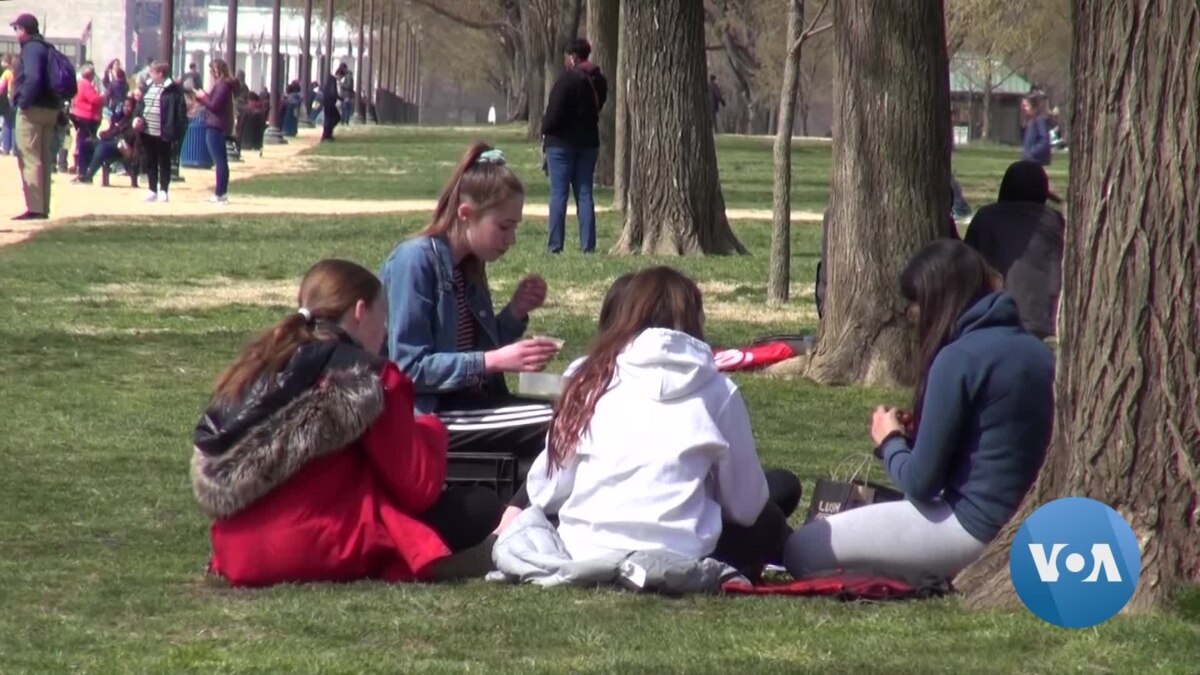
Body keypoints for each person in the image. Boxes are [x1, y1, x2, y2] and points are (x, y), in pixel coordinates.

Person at [191, 259, 505, 587]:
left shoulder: (254, 368)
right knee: (480, 506)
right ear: (360, 311)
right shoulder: (371, 377)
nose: (384, 333)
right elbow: (418, 488)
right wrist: (431, 430)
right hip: (317, 542)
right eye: (382, 319)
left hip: (238, 551)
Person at [784, 239, 1054, 580]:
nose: (912, 315)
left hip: (973, 529)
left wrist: (890, 440)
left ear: (936, 301)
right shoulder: (1039, 353)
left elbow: (920, 483)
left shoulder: (958, 358)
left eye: (915, 304)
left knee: (800, 550)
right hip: (1027, 522)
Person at [524, 267, 799, 579]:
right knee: (770, 513)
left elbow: (545, 491)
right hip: (681, 554)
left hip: (585, 548)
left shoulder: (587, 376)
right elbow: (746, 507)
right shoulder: (718, 390)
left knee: (778, 491)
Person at [378, 143, 560, 494]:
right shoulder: (415, 262)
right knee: (559, 423)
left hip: (469, 404)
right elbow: (409, 368)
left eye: (515, 227)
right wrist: (494, 360)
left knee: (569, 412)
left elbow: (474, 351)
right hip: (426, 417)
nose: (511, 239)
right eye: (504, 227)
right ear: (465, 213)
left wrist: (514, 313)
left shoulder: (470, 266)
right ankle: (516, 519)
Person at [963, 160, 1065, 338]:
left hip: (995, 315)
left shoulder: (985, 218)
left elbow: (965, 266)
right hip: (1047, 317)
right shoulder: (1054, 222)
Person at [541, 37, 608, 254]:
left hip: (560, 144)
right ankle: (588, 245)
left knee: (559, 195)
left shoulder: (566, 81)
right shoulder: (599, 81)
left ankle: (555, 245)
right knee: (585, 194)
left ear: (572, 57)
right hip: (588, 143)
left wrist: (545, 130)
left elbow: (553, 115)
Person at [11, 14, 60, 221]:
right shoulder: (47, 47)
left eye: (17, 29)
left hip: (32, 109)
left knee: (29, 158)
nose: (16, 34)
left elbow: (33, 77)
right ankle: (43, 206)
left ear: (23, 30)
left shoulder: (30, 49)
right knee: (44, 159)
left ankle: (35, 208)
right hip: (51, 109)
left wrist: (22, 100)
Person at [132, 61, 187, 203]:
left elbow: (180, 113)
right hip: (147, 131)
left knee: (164, 161)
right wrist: (137, 117)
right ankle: (152, 189)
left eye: (152, 72)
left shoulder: (173, 90)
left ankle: (163, 190)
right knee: (150, 160)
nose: (150, 74)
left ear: (160, 74)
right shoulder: (148, 87)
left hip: (164, 131)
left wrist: (177, 131)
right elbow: (140, 106)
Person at [194, 58, 235, 204]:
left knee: (219, 161)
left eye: (212, 71)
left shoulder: (222, 86)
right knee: (221, 160)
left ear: (216, 72)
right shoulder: (224, 86)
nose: (211, 74)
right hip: (219, 124)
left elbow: (214, 105)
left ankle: (220, 193)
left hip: (215, 125)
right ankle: (221, 192)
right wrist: (203, 98)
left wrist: (203, 97)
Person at [73, 94, 138, 184]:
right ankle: (82, 174)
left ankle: (88, 176)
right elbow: (111, 131)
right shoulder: (120, 118)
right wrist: (105, 133)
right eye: (125, 106)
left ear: (134, 108)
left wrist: (113, 135)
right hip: (110, 141)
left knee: (102, 148)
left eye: (129, 106)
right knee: (85, 144)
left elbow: (128, 137)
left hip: (121, 147)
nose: (126, 108)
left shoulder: (133, 121)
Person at [70, 63, 104, 180]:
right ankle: (84, 172)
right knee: (86, 144)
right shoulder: (85, 84)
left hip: (82, 116)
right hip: (87, 117)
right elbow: (94, 100)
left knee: (82, 143)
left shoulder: (81, 83)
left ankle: (83, 171)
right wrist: (103, 97)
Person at [1021, 91, 1052, 166]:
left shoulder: (1040, 120)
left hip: (1034, 160)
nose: (1025, 108)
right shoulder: (1032, 120)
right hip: (1028, 160)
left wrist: (1031, 152)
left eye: (1027, 106)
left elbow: (1044, 141)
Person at [0, 55, 17, 155]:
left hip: (8, 100)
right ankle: (14, 149)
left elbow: (1, 88)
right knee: (15, 125)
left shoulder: (7, 73)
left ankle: (5, 147)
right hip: (16, 100)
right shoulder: (16, 72)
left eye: (3, 61)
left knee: (7, 124)